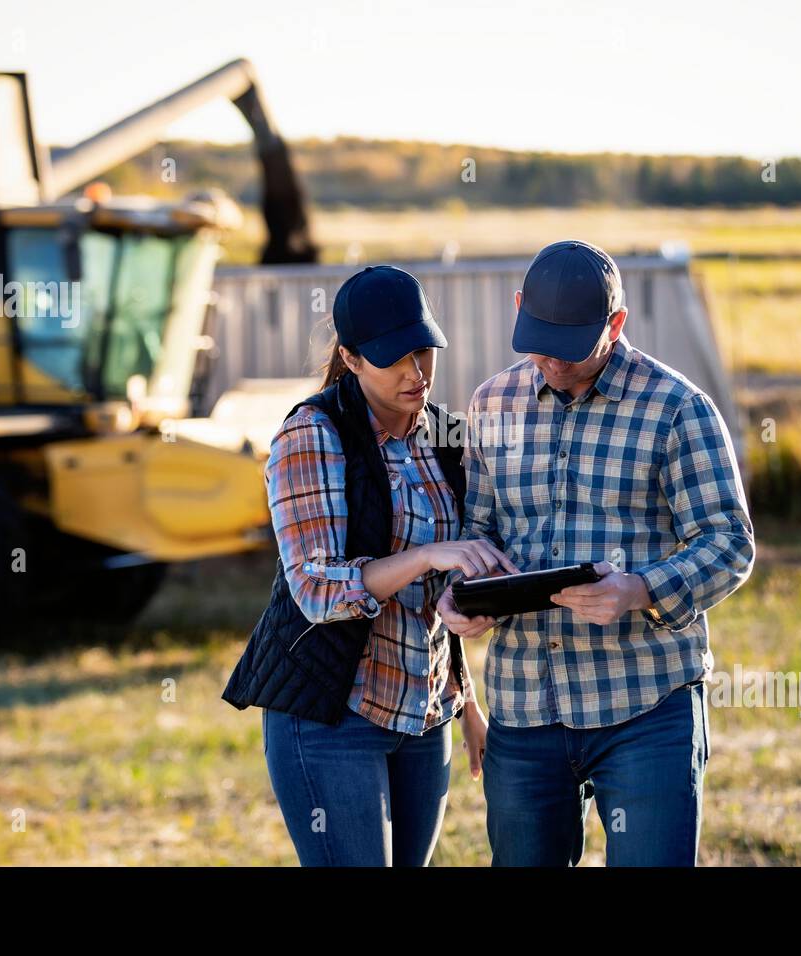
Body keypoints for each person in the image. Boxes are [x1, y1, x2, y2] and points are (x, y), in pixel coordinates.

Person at [436, 240, 755, 866]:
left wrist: (640, 590)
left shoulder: (678, 409)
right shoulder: (490, 404)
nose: (550, 359)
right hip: (525, 707)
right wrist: (463, 596)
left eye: (570, 344)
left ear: (616, 324)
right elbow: (479, 534)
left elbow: (730, 542)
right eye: (536, 338)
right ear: (518, 306)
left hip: (645, 705)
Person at [222, 264, 517, 866]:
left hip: (423, 713)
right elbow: (313, 588)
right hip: (333, 716)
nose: (415, 372)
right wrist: (426, 555)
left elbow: (445, 588)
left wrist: (467, 703)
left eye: (423, 350)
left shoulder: (446, 436)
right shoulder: (312, 435)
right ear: (352, 359)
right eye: (392, 358)